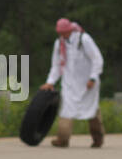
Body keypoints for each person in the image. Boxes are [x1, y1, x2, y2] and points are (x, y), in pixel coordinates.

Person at [41, 18, 104, 148]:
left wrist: (93, 78)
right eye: (60, 33)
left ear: (70, 29)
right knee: (66, 110)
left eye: (64, 32)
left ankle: (98, 138)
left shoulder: (84, 39)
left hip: (87, 83)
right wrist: (50, 82)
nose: (62, 35)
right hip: (69, 83)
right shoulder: (59, 43)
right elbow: (56, 65)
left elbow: (97, 59)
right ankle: (63, 139)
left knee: (91, 111)